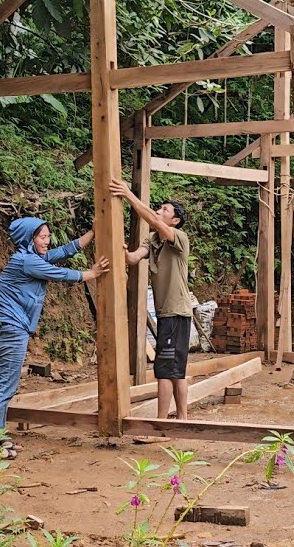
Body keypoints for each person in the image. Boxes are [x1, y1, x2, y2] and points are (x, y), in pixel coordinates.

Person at [0, 218, 107, 459]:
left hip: (12, 330)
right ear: (29, 239)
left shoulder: (30, 258)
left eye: (48, 236)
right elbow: (60, 274)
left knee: (6, 386)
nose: (47, 241)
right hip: (10, 331)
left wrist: (92, 232)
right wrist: (92, 273)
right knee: (2, 387)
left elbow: (64, 251)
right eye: (42, 237)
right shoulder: (27, 261)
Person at [110, 179, 193, 420]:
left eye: (165, 210)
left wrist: (128, 194)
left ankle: (161, 425)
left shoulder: (179, 237)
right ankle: (183, 421)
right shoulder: (153, 240)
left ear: (175, 221)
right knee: (175, 370)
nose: (160, 211)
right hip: (168, 314)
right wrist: (124, 251)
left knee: (165, 371)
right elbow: (134, 259)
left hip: (176, 313)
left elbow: (154, 221)